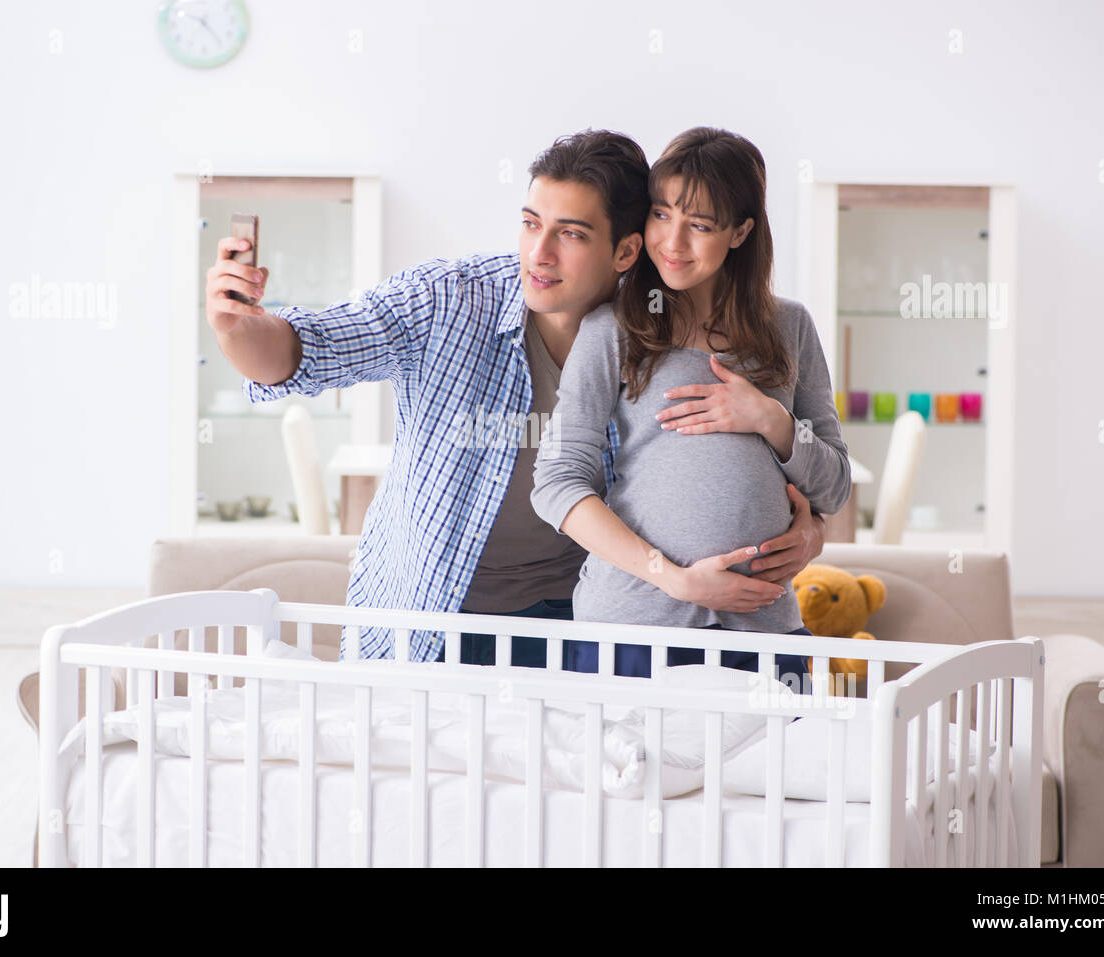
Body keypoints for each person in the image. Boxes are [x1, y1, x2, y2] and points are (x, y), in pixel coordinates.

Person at [204, 129, 828, 665]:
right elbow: (305, 350)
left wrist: (809, 531)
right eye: (531, 224)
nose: (539, 253)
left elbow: (753, 470)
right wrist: (238, 325)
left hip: (577, 622)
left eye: (571, 234)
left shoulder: (658, 327)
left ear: (626, 250)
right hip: (436, 614)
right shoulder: (445, 299)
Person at [531, 126, 852, 683]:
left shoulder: (790, 326)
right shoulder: (613, 330)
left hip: (763, 629)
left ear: (740, 231)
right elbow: (557, 481)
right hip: (635, 626)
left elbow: (835, 487)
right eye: (661, 215)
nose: (673, 242)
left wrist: (771, 421)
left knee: (775, 772)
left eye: (699, 225)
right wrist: (674, 579)